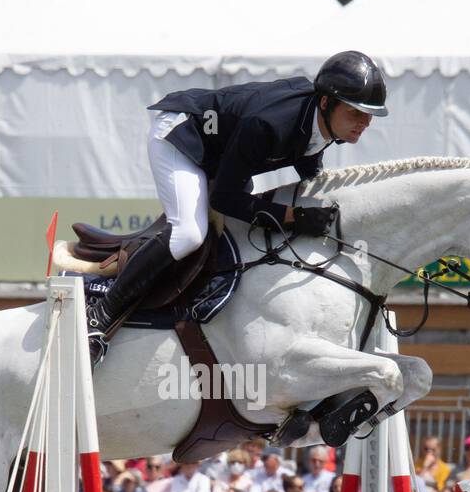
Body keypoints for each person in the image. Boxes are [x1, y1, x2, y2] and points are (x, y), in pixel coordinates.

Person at [84, 51, 387, 363]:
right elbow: (224, 198)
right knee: (189, 233)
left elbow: (309, 167)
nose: (365, 122)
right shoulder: (270, 124)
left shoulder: (321, 123)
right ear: (326, 103)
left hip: (217, 153)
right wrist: (292, 217)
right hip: (180, 137)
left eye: (369, 115)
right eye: (355, 113)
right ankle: (102, 314)